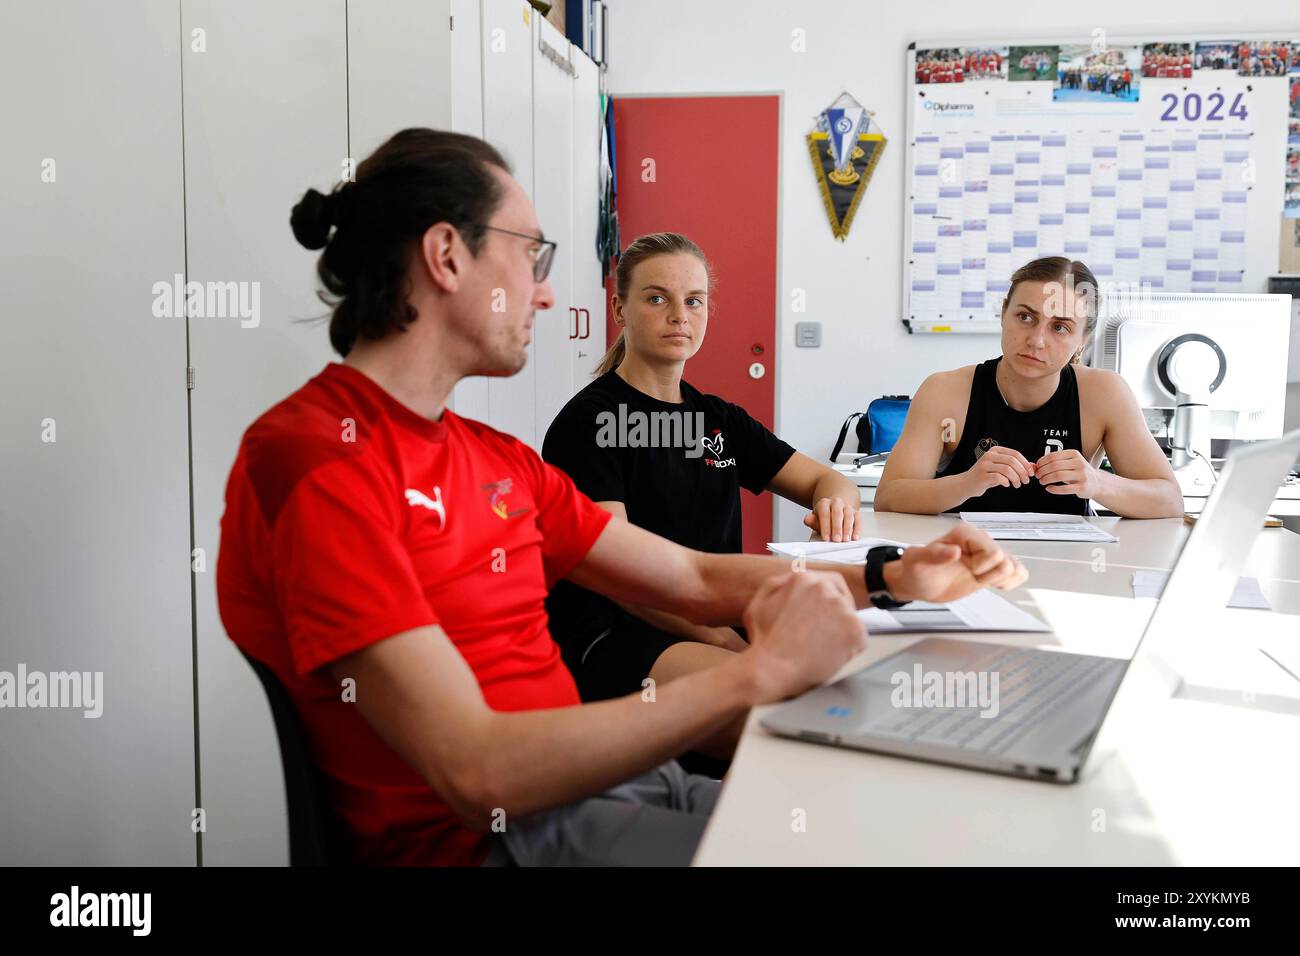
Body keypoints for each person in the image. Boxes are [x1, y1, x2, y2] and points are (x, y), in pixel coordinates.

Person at [215, 128, 1029, 867]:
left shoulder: (494, 460)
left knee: (893, 825)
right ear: (446, 256)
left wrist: (894, 574)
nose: (543, 292)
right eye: (531, 256)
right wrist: (757, 673)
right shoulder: (317, 462)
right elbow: (477, 770)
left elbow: (694, 579)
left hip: (610, 788)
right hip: (499, 839)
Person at [542, 232, 862, 755]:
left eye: (694, 300)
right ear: (620, 309)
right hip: (621, 631)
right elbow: (615, 573)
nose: (679, 315)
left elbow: (829, 480)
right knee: (790, 714)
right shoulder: (590, 423)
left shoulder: (718, 419)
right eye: (656, 298)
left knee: (850, 684)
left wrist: (835, 504)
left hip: (716, 617)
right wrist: (721, 639)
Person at [874, 256, 1183, 519]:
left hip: (1067, 567)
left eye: (1060, 327)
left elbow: (1170, 501)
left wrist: (1097, 483)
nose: (1036, 340)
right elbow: (889, 497)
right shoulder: (945, 390)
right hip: (964, 562)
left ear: (1083, 341)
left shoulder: (1106, 394)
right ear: (1003, 314)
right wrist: (966, 483)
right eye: (1025, 317)